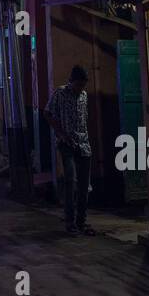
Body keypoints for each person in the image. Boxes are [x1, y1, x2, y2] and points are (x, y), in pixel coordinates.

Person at [45, 65, 96, 236]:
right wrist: (61, 133)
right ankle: (70, 222)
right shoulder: (60, 93)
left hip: (84, 144)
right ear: (71, 81)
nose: (81, 88)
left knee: (84, 185)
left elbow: (84, 118)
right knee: (70, 181)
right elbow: (47, 113)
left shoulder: (84, 95)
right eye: (79, 84)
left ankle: (81, 221)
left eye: (83, 85)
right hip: (66, 144)